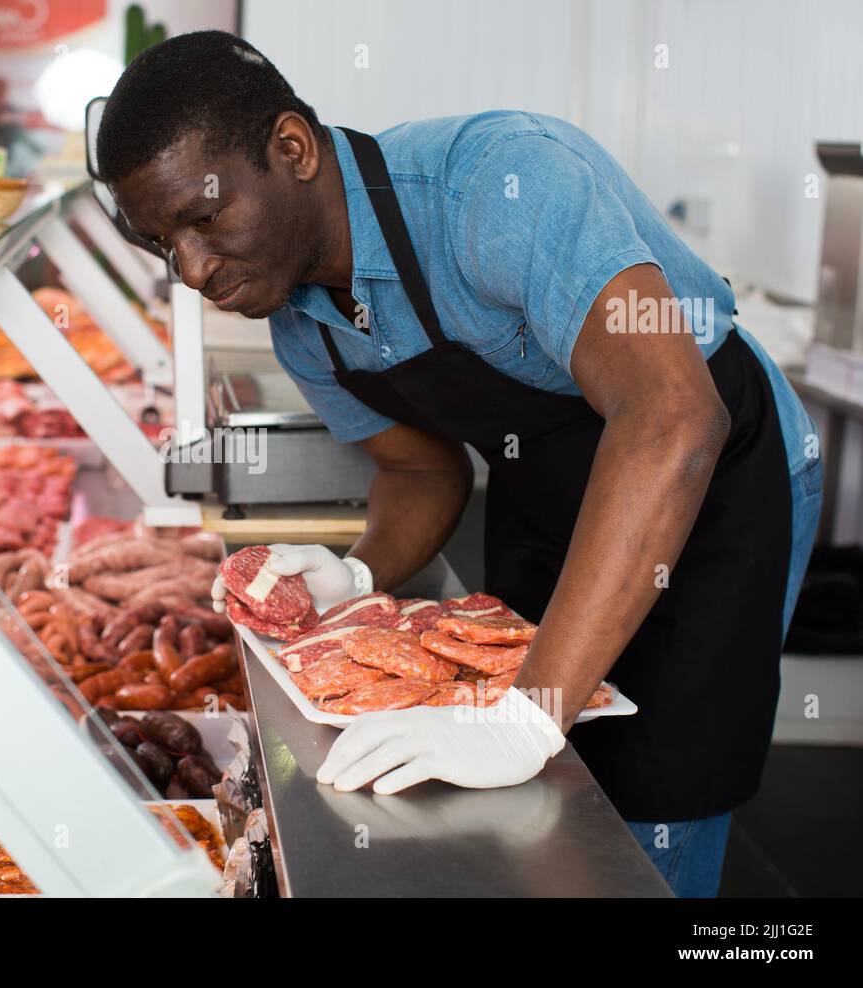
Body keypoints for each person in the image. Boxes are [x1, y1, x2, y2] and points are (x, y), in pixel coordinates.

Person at [93, 31, 821, 897]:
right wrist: (354, 574)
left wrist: (531, 714)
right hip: (551, 490)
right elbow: (420, 472)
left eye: (205, 220)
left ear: (291, 148)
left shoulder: (496, 184)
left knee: (661, 778)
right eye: (160, 244)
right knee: (546, 795)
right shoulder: (301, 320)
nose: (193, 270)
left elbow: (671, 417)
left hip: (710, 476)